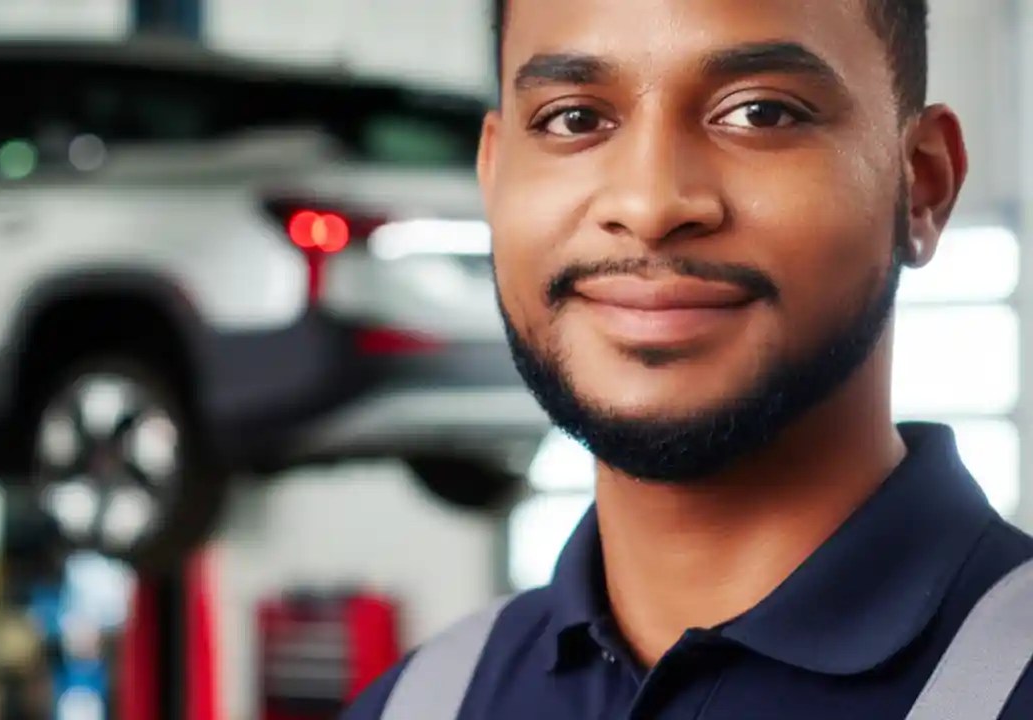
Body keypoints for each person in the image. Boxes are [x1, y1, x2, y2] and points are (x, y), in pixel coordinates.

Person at [342, 0, 1033, 717]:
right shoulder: (417, 703)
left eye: (761, 113)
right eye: (574, 119)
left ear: (922, 185)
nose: (648, 204)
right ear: (494, 176)